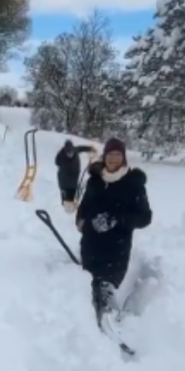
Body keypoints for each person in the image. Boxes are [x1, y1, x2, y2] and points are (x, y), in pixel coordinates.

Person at [76, 138, 152, 327]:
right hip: (91, 245)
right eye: (110, 154)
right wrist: (83, 222)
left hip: (116, 248)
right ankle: (89, 327)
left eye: (118, 155)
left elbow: (145, 217)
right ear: (105, 156)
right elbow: (84, 208)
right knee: (89, 289)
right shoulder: (95, 180)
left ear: (124, 158)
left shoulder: (133, 183)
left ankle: (111, 325)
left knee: (105, 288)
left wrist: (118, 219)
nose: (113, 159)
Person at [55, 139, 97, 213]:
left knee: (73, 196)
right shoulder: (61, 156)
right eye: (68, 152)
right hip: (65, 181)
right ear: (65, 150)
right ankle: (66, 210)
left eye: (71, 152)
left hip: (74, 179)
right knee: (66, 198)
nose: (70, 154)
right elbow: (57, 162)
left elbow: (81, 148)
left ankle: (72, 210)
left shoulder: (75, 150)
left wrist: (90, 148)